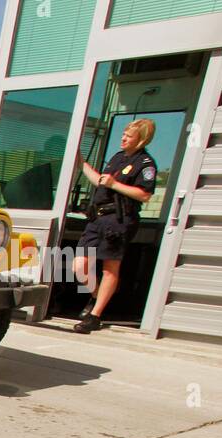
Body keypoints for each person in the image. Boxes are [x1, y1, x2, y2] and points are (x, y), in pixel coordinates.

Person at [71, 119, 158, 334]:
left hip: (119, 220)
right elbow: (101, 180)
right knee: (79, 266)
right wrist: (81, 163)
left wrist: (115, 184)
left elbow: (145, 194)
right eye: (124, 134)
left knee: (110, 269)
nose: (123, 138)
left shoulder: (145, 164)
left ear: (141, 139)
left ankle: (95, 316)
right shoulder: (118, 158)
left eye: (129, 135)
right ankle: (95, 296)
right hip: (97, 219)